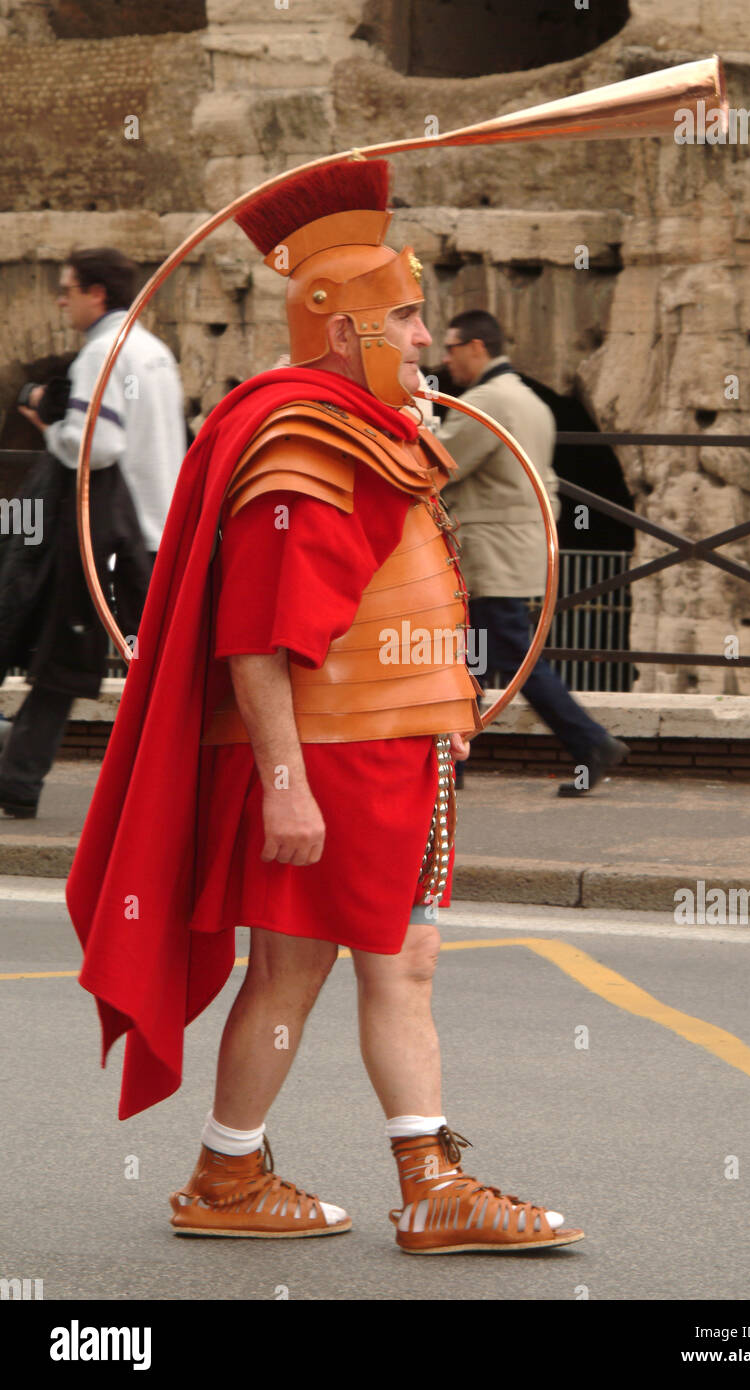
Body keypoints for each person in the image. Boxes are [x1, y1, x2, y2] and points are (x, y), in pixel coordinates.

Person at [66, 161, 584, 1253]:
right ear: (342, 328)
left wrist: (438, 709)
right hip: (330, 755)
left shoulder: (361, 425)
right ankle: (288, 1178)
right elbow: (257, 637)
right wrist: (285, 786)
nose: (426, 334)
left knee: (390, 961)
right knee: (305, 966)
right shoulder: (304, 438)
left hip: (389, 747)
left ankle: (342, 1178)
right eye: (406, 316)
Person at [0, 247, 185, 816]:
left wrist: (48, 426)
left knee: (66, 656)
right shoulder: (156, 353)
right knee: (147, 666)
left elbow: (97, 445)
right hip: (158, 533)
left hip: (109, 537)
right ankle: (20, 781)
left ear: (96, 293)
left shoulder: (103, 353)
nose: (61, 302)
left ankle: (24, 782)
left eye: (67, 290)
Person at [438, 310, 628, 795]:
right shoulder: (530, 400)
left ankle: (590, 741)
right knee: (472, 661)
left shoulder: (486, 401)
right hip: (517, 549)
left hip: (489, 553)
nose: (445, 359)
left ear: (476, 347)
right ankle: (451, 768)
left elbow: (442, 464)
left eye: (451, 347)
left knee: (510, 656)